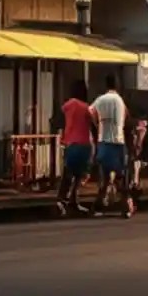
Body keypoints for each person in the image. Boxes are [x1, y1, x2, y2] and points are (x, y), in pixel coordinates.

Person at [89, 74, 133, 218]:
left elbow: (90, 112)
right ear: (118, 85)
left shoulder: (100, 100)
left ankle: (97, 208)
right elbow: (127, 118)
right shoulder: (120, 101)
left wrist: (98, 124)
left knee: (105, 177)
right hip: (118, 142)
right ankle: (125, 208)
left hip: (103, 143)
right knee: (121, 177)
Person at [55, 80, 92, 216]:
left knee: (68, 173)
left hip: (70, 143)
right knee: (78, 175)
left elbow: (58, 119)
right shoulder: (87, 108)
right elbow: (92, 124)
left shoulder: (68, 105)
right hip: (84, 144)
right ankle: (72, 200)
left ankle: (62, 200)